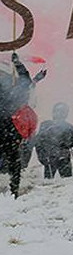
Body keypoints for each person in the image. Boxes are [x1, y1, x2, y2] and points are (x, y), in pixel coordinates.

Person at [0, 53, 36, 196]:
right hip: (10, 129)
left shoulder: (12, 92)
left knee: (14, 159)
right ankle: (14, 187)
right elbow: (26, 82)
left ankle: (14, 187)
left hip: (9, 128)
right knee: (14, 159)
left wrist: (18, 64)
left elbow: (25, 82)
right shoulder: (13, 92)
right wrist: (18, 63)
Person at [32, 103, 73, 179]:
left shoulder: (46, 125)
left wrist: (42, 157)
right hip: (60, 158)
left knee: (49, 184)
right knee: (66, 184)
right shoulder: (66, 127)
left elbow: (38, 143)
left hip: (52, 158)